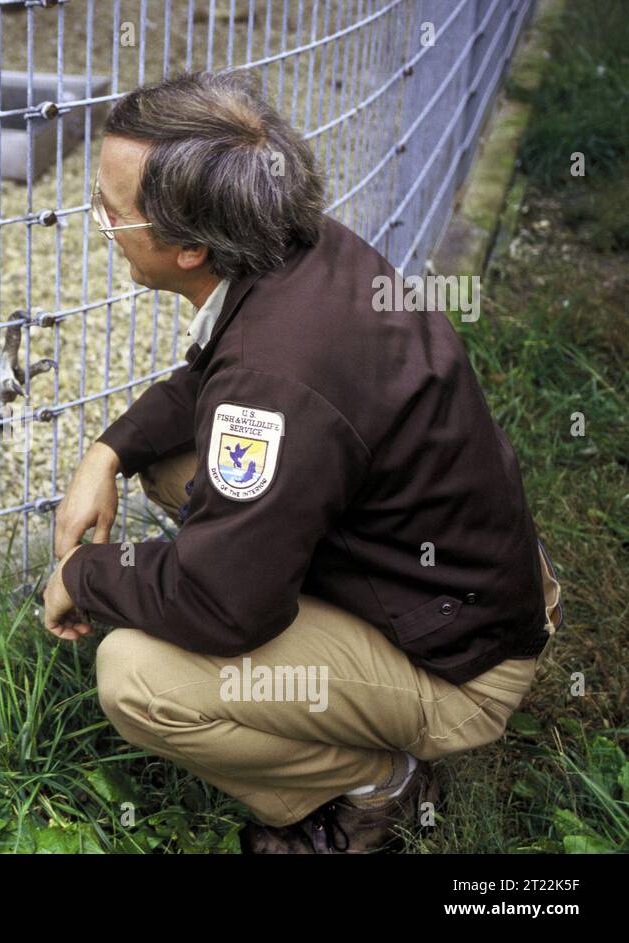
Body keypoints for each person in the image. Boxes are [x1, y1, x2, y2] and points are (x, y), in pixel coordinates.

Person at [41, 70, 564, 854]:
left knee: (137, 677)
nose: (104, 225)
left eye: (111, 212)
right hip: (460, 584)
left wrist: (84, 575)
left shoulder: (273, 382)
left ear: (188, 246)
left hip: (463, 667)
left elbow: (225, 607)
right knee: (174, 464)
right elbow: (221, 377)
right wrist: (108, 450)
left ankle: (371, 784)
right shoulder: (297, 242)